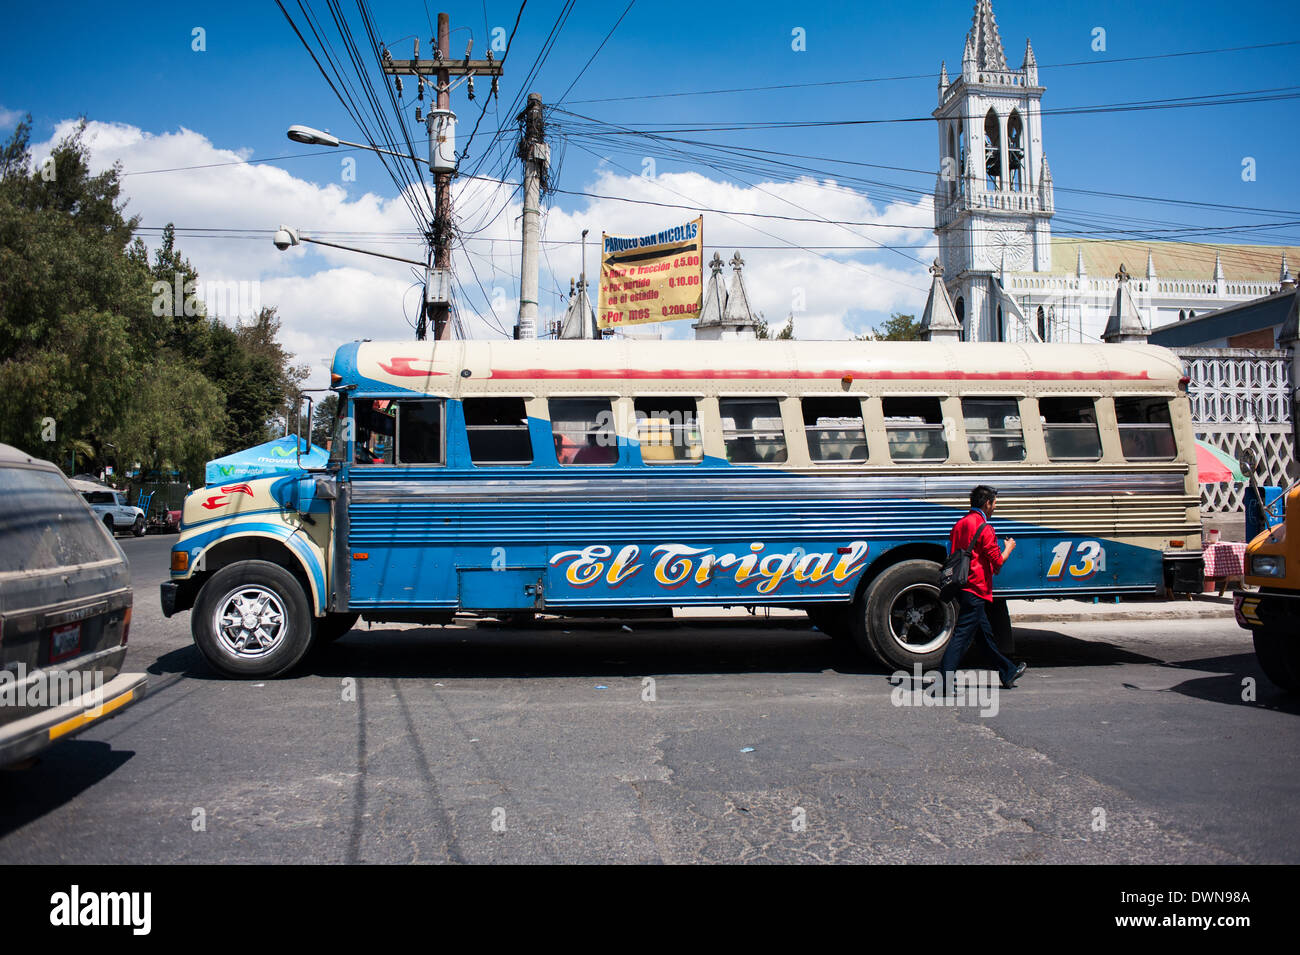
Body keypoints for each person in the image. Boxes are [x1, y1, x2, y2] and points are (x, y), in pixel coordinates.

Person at [939, 485, 1028, 691]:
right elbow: (997, 563)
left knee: (984, 637)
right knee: (961, 636)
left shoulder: (960, 523)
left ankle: (1007, 671)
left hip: (960, 586)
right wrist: (1008, 548)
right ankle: (944, 680)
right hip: (976, 589)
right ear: (987, 503)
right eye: (995, 503)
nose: (995, 507)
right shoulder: (984, 527)